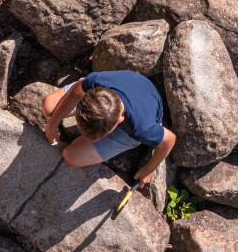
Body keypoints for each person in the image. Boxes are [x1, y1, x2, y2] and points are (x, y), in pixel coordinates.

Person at [42, 70, 176, 185]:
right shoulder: (95, 82)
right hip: (127, 86)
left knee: (71, 156)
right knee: (48, 107)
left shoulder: (141, 128)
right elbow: (76, 92)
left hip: (144, 106)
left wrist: (149, 169)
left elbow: (170, 139)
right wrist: (52, 126)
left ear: (120, 121)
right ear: (89, 96)